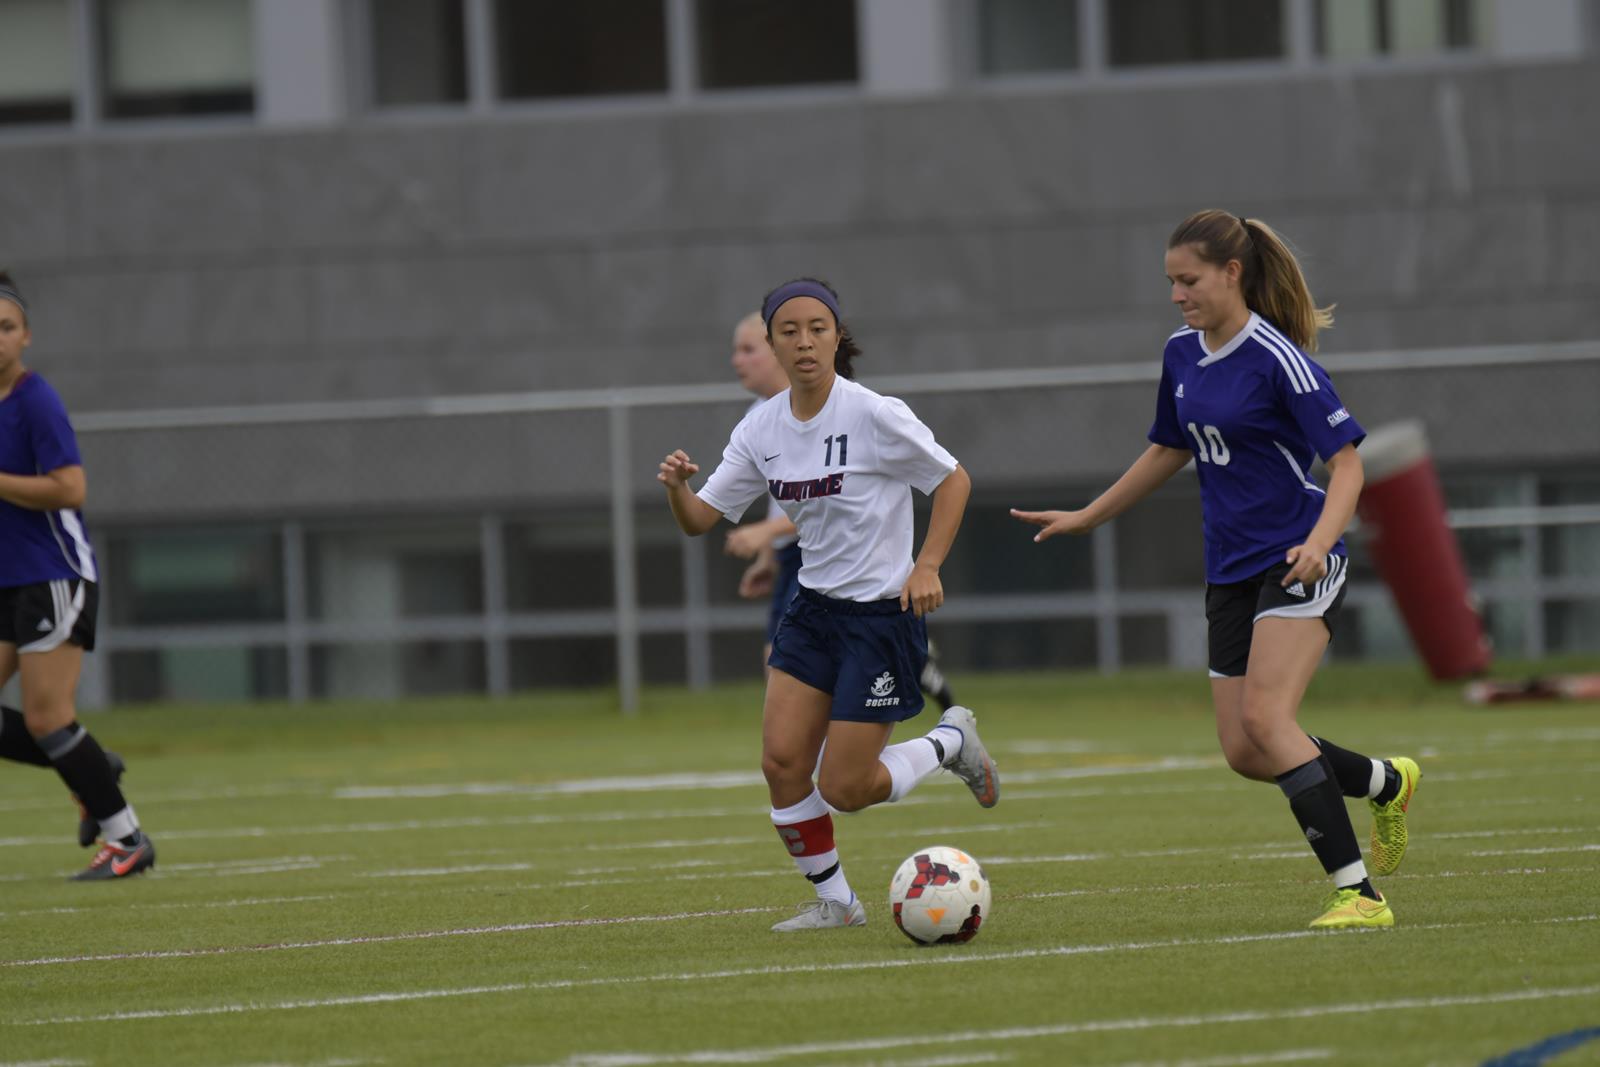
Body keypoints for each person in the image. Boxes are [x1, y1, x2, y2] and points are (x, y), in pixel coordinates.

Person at [1011, 211, 1419, 930]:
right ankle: (1385, 780)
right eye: (1170, 281)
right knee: (1243, 748)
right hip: (1229, 567)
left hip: (1297, 557)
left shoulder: (1278, 358)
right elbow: (1168, 449)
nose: (1176, 294)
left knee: (1267, 719)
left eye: (1188, 279)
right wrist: (1087, 514)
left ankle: (1360, 894)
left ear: (1232, 273)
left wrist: (1321, 542)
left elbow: (1348, 465)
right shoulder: (1180, 353)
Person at [660, 278, 997, 931]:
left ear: (838, 336)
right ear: (773, 343)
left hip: (879, 619)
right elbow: (701, 518)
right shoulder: (762, 427)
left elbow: (953, 480)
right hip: (812, 612)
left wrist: (926, 563)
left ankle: (951, 739)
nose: (805, 340)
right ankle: (838, 902)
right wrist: (679, 487)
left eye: (818, 327)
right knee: (782, 763)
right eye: (788, 330)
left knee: (846, 787)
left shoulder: (875, 412)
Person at [721, 311, 960, 711]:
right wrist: (768, 555)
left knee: (827, 699)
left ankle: (912, 670)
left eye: (747, 350)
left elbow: (831, 502)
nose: (737, 360)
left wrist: (765, 534)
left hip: (838, 569)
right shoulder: (758, 419)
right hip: (793, 560)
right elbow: (784, 495)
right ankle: (910, 666)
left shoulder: (852, 410)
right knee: (784, 690)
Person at [0, 271, 156, 881]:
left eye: (6, 327)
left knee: (46, 716)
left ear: (27, 336)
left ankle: (126, 839)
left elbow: (70, 487)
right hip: (6, 578)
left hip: (52, 573)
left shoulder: (36, 400)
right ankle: (92, 765)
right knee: (56, 731)